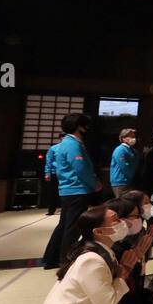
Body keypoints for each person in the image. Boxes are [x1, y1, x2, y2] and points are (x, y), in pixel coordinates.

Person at [41, 113, 102, 269]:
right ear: (79, 126)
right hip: (76, 189)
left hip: (69, 190)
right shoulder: (72, 144)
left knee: (64, 225)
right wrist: (94, 183)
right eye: (85, 125)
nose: (87, 128)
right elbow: (80, 168)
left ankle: (51, 258)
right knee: (72, 227)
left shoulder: (69, 143)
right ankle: (65, 260)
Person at [109, 128, 140, 197]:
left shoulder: (132, 150)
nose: (134, 139)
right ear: (123, 138)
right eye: (131, 137)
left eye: (134, 137)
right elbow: (125, 167)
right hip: (120, 182)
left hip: (129, 182)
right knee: (123, 205)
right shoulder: (120, 150)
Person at [42, 139, 61, 215]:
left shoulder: (70, 148)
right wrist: (47, 173)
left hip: (66, 173)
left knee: (66, 192)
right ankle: (51, 210)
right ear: (60, 138)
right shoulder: (53, 148)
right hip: (54, 172)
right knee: (53, 192)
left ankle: (64, 209)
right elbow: (49, 161)